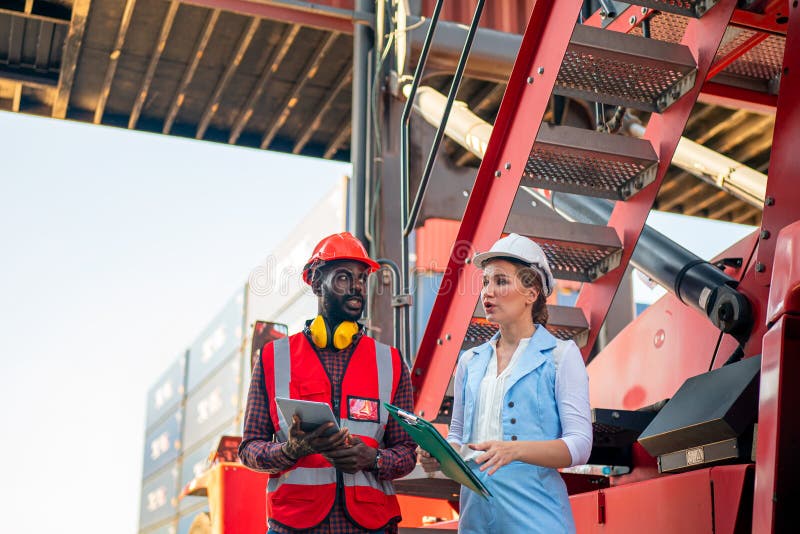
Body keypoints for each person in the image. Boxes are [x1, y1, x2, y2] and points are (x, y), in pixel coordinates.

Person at [239, 232, 417, 533]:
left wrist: (373, 458)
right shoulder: (274, 358)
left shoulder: (390, 362)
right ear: (317, 282)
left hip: (370, 526)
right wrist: (289, 451)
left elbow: (407, 452)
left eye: (362, 278)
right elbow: (249, 449)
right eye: (344, 277)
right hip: (295, 525)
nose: (357, 287)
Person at [419, 233, 592, 533]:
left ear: (531, 292)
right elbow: (458, 436)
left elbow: (579, 445)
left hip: (538, 519)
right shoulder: (469, 361)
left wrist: (516, 450)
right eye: (486, 282)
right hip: (475, 522)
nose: (487, 291)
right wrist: (440, 457)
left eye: (500, 281)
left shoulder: (561, 356)